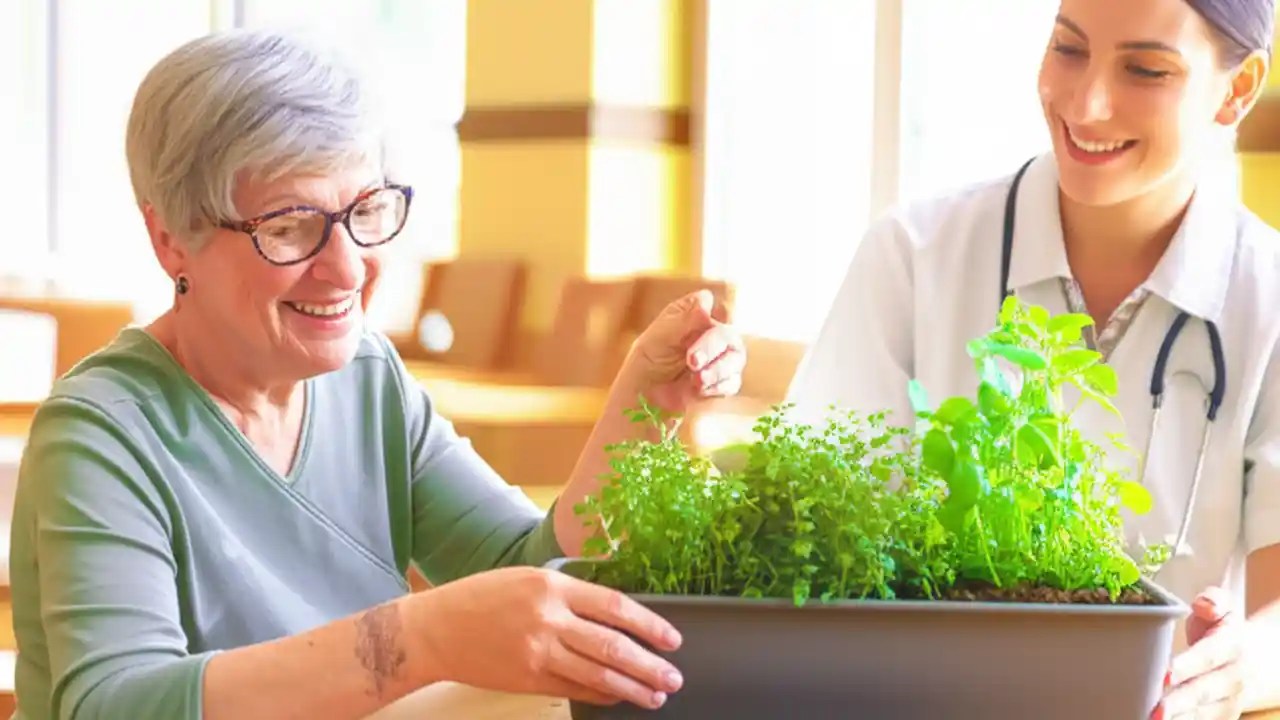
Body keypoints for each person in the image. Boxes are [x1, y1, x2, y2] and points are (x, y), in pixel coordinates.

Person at [8, 28, 745, 720]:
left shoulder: (368, 378)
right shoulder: (101, 431)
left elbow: (528, 568)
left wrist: (648, 401)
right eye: (289, 227)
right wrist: (414, 639)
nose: (348, 267)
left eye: (365, 211)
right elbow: (112, 703)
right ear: (170, 238)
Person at [787, 0, 1280, 718]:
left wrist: (1233, 672)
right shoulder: (915, 256)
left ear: (1237, 91)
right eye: (1068, 49)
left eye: (1146, 69)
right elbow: (814, 552)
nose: (1088, 104)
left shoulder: (1267, 297)